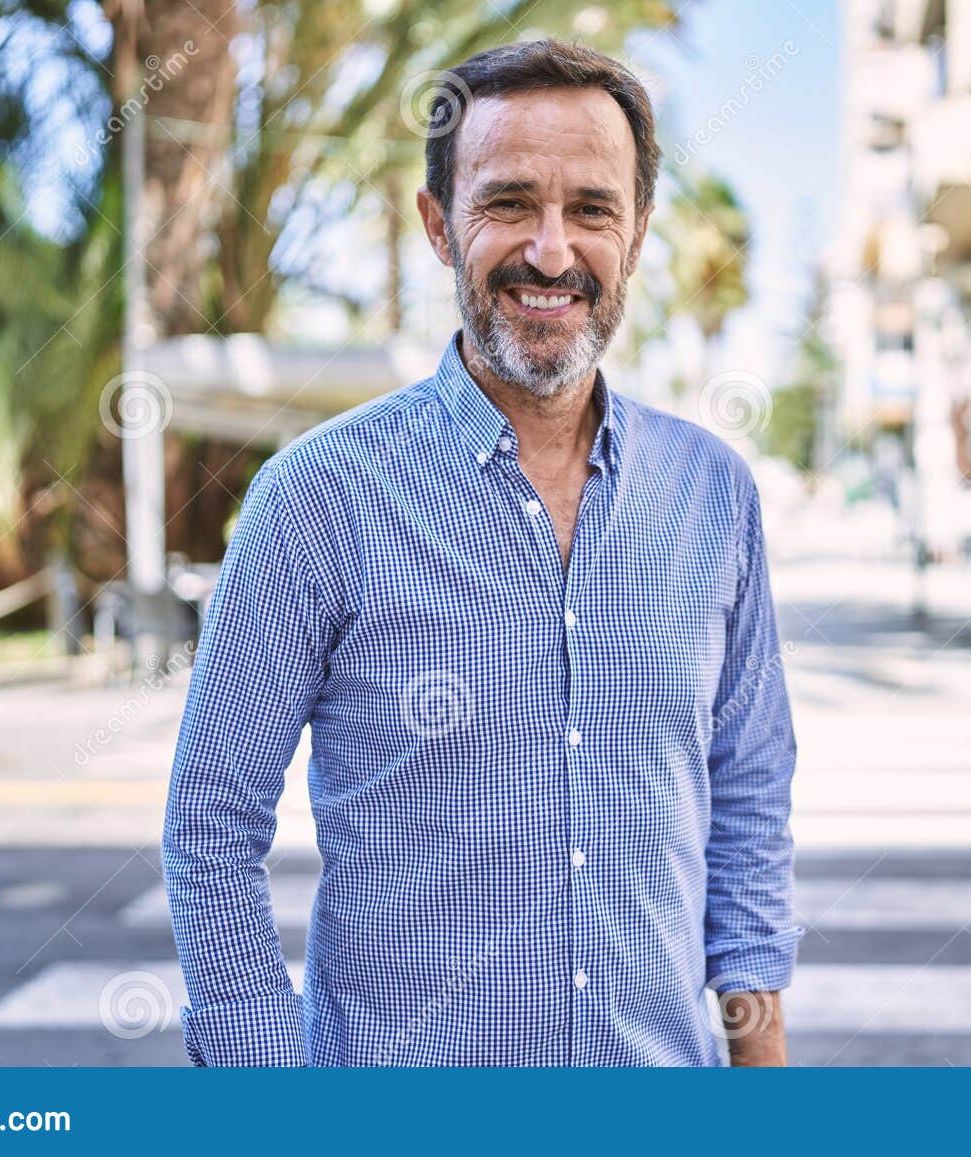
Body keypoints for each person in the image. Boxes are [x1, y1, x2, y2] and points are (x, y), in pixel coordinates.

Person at [163, 37, 800, 1067]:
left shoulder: (713, 495)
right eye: (508, 202)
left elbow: (749, 797)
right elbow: (211, 821)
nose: (551, 251)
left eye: (591, 209)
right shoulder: (317, 498)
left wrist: (762, 1073)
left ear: (635, 233)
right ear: (437, 223)